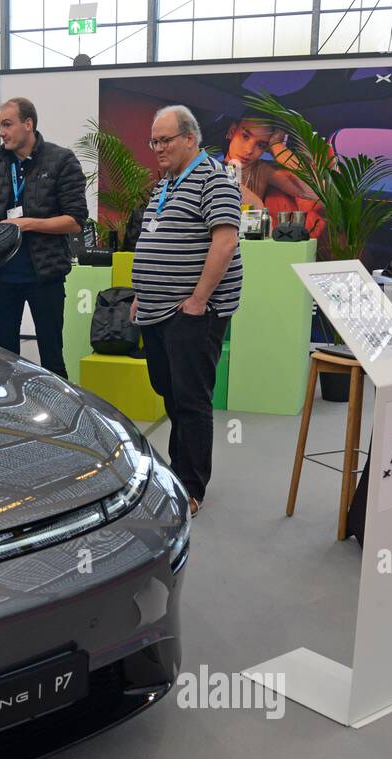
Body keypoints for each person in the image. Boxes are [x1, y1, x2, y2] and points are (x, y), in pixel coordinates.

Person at [131, 105, 243, 516]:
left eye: (165, 140)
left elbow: (225, 243)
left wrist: (197, 301)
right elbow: (155, 239)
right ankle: (178, 471)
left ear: (190, 138)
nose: (157, 148)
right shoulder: (166, 183)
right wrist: (144, 292)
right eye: (154, 141)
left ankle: (190, 487)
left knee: (191, 400)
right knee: (170, 391)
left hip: (193, 312)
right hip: (158, 310)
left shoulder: (214, 179)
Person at [0, 97, 87, 378]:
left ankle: (62, 417)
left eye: (7, 124)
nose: (1, 132)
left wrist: (27, 224)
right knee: (4, 361)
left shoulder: (61, 160)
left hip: (45, 276)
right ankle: (13, 417)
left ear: (28, 124)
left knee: (52, 358)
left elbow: (75, 220)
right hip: (1, 277)